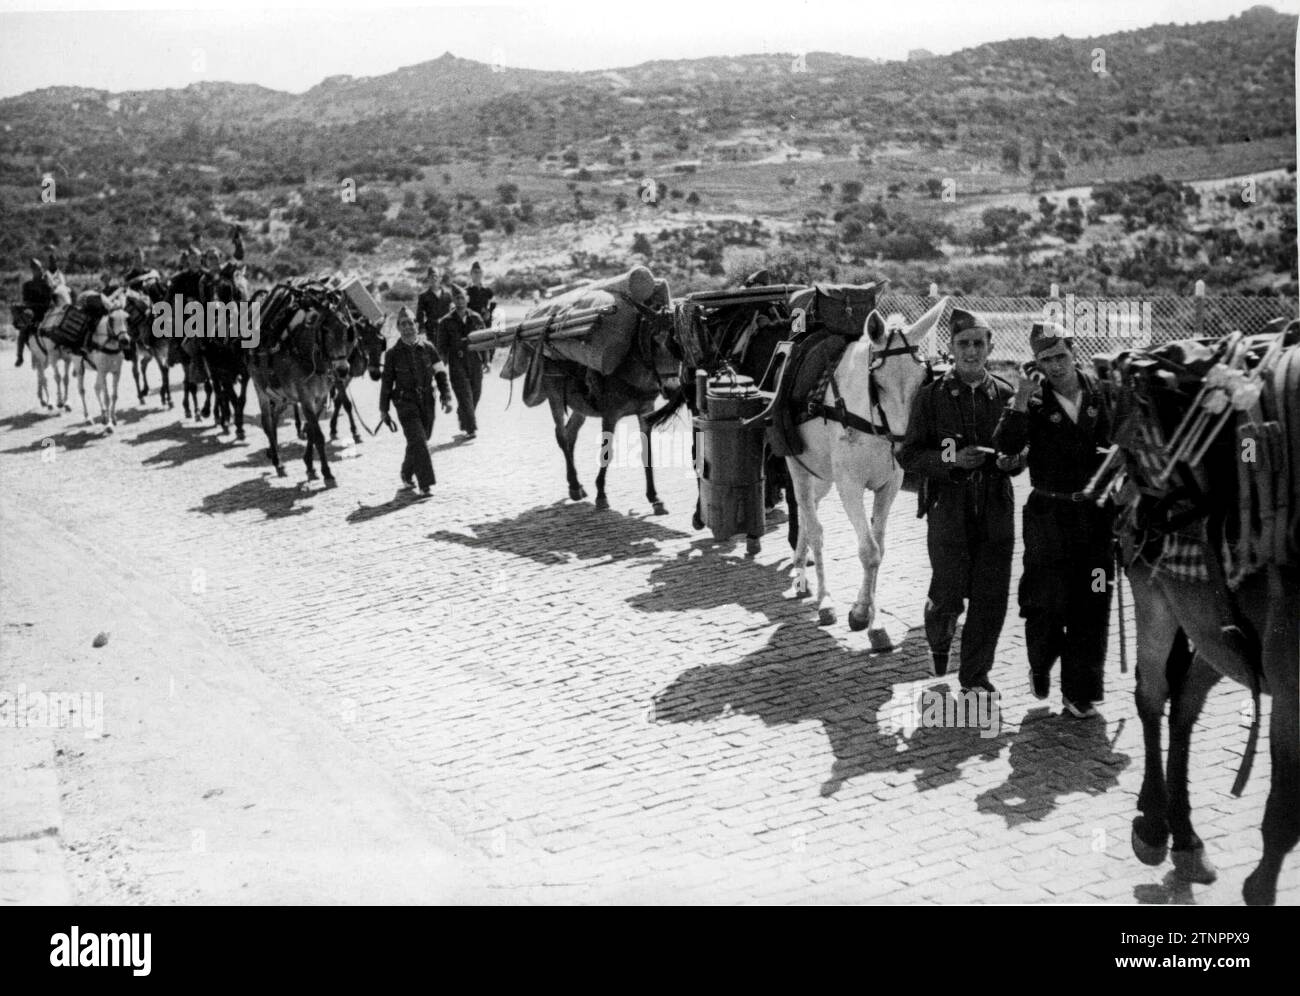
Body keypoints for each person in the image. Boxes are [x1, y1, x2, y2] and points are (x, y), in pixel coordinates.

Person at [897, 307, 1022, 694]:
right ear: (951, 348)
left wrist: (1013, 461)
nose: (971, 351)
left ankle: (975, 677)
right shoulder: (932, 397)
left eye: (978, 344)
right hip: (948, 512)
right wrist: (951, 459)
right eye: (963, 344)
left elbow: (1019, 451)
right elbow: (909, 454)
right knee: (948, 593)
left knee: (990, 600)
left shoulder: (1005, 395)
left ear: (990, 347)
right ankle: (938, 641)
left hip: (995, 512)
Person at [994, 321, 1115, 718]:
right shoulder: (1031, 400)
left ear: (1073, 350)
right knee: (1046, 602)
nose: (1056, 365)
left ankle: (1081, 692)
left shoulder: (1100, 391)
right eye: (1046, 359)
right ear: (1036, 364)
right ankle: (1041, 663)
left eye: (1061, 355)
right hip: (1049, 517)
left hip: (1095, 517)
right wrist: (1020, 398)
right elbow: (1007, 447)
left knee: (1094, 599)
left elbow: (1118, 442)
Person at [379, 306, 453, 495]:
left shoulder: (429, 348)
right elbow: (387, 383)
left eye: (410, 323)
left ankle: (406, 472)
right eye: (403, 324)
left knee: (421, 438)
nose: (407, 327)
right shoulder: (392, 355)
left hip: (427, 400)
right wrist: (384, 410)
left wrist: (446, 396)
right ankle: (425, 485)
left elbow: (441, 374)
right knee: (419, 441)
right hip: (405, 403)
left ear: (417, 325)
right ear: (398, 328)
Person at [435, 284, 487, 440]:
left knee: (475, 393)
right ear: (453, 300)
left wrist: (487, 360)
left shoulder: (476, 318)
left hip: (475, 361)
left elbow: (485, 339)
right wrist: (440, 365)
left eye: (462, 297)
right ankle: (471, 428)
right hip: (457, 362)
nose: (460, 301)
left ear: (467, 299)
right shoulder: (445, 322)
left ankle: (463, 414)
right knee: (465, 395)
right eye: (457, 298)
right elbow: (441, 347)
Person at [15, 259, 55, 366]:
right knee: (23, 331)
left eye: (40, 269)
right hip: (33, 313)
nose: (39, 271)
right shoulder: (27, 285)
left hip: (46, 313)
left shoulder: (47, 284)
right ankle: (20, 356)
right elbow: (25, 300)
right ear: (33, 271)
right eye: (36, 269)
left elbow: (50, 299)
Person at [466, 261, 496, 370]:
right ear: (471, 274)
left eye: (479, 272)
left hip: (485, 320)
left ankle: (487, 362)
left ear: (482, 274)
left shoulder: (487, 290)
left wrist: (489, 312)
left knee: (488, 340)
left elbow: (493, 302)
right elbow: (464, 306)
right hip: (472, 321)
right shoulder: (467, 291)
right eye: (474, 272)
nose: (477, 275)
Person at [415, 267, 451, 340]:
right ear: (428, 279)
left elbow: (453, 311)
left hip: (447, 329)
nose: (434, 278)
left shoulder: (448, 294)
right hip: (431, 330)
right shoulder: (423, 296)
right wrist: (422, 329)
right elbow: (420, 314)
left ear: (440, 278)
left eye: (436, 276)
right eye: (431, 276)